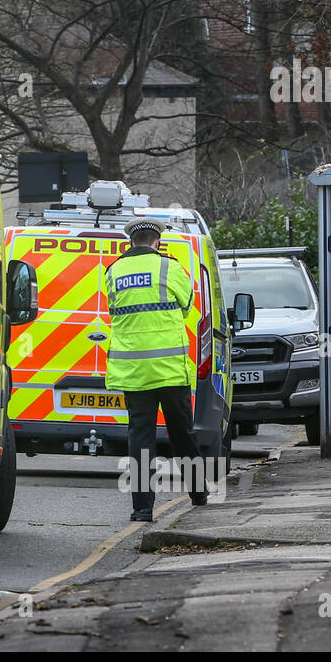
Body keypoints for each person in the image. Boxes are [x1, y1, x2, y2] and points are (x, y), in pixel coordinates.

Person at [105, 218, 207, 522]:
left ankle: (142, 509)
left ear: (131, 242)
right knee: (181, 434)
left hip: (133, 371)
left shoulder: (113, 271)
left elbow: (114, 310)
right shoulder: (170, 267)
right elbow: (187, 305)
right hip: (169, 369)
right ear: (157, 241)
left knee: (140, 438)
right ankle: (198, 492)